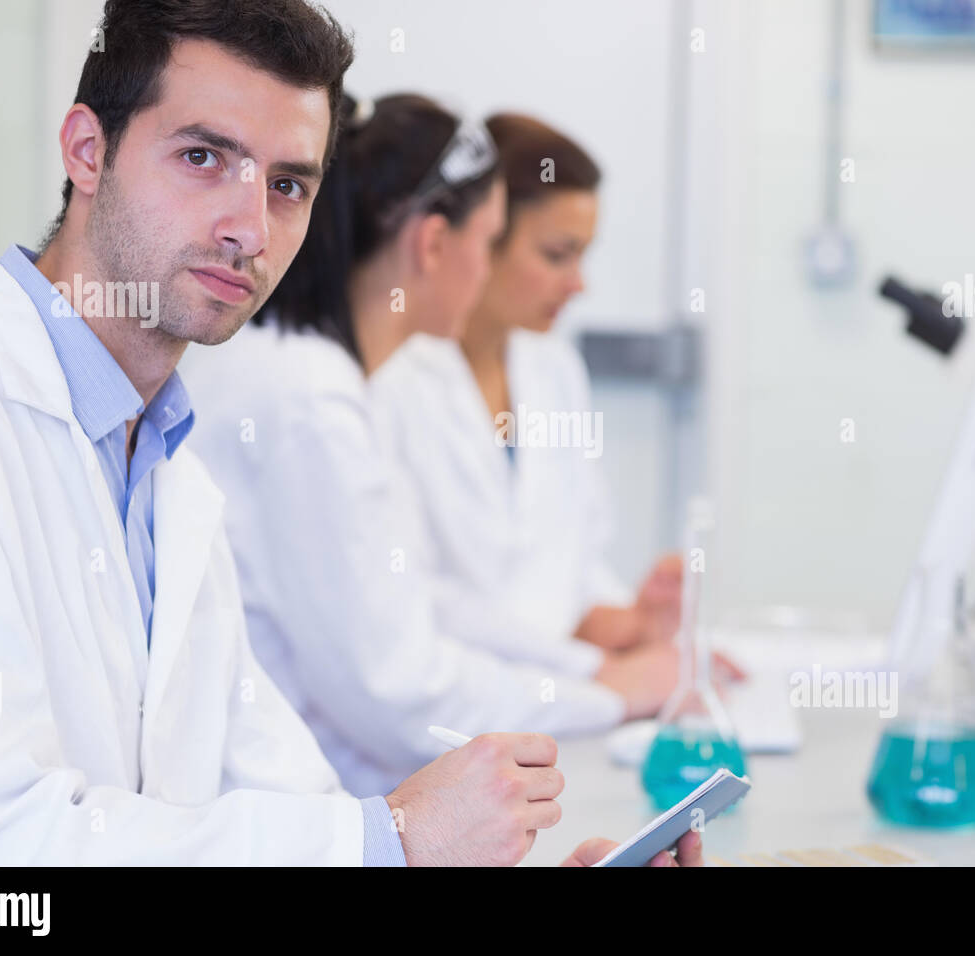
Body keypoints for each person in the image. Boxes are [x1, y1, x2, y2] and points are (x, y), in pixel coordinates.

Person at [0, 0, 692, 868]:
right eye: (202, 157)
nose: (249, 229)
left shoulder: (168, 469)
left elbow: (289, 803)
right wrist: (394, 835)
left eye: (287, 186)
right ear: (87, 151)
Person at [180, 94, 679, 799]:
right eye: (489, 239)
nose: (485, 273)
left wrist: (596, 673)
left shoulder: (321, 378)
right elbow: (400, 689)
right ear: (434, 244)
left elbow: (412, 610)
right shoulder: (311, 404)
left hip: (333, 790)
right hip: (294, 807)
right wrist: (607, 694)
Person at [372, 114, 690, 663]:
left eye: (583, 255)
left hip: (554, 701)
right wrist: (596, 673)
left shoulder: (555, 367)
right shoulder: (392, 376)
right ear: (486, 236)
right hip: (448, 718)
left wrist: (630, 623)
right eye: (556, 255)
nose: (579, 283)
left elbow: (572, 569)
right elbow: (414, 598)